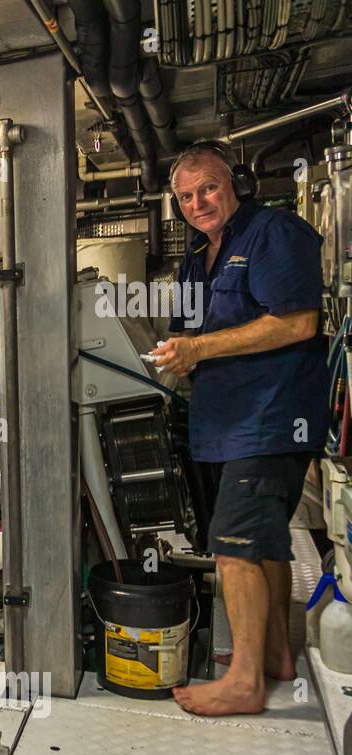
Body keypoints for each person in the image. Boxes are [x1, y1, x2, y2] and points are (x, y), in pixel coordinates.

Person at [151, 140, 326, 716]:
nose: (198, 202)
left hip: (270, 415)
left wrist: (197, 348)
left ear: (236, 186)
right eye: (186, 195)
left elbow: (298, 322)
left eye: (209, 188)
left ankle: (245, 682)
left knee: (234, 546)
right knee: (267, 540)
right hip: (230, 421)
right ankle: (274, 655)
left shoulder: (273, 233)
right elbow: (189, 332)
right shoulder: (196, 258)